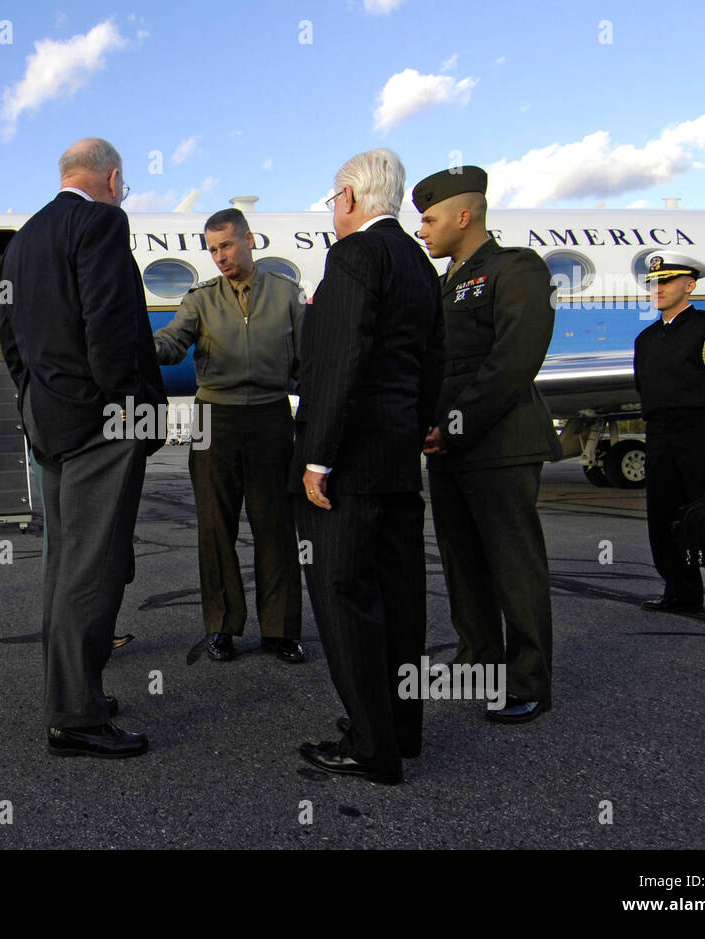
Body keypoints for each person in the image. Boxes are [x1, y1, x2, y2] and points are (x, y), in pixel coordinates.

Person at [0, 137, 167, 758]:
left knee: (65, 564)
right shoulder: (101, 221)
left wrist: (34, 401)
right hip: (102, 423)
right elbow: (111, 324)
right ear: (112, 176)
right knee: (94, 567)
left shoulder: (20, 241)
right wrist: (127, 403)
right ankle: (74, 716)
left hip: (49, 423)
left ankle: (77, 693)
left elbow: (9, 342)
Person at [291, 149, 443, 784]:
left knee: (344, 596)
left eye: (332, 199)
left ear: (350, 198)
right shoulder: (416, 260)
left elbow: (338, 361)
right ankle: (402, 731)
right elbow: (435, 355)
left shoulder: (354, 255)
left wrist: (318, 457)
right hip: (397, 459)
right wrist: (427, 422)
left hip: (350, 463)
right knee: (401, 598)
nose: (333, 210)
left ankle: (370, 746)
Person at [414, 165, 560, 724]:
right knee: (462, 560)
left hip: (498, 442)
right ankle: (478, 657)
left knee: (512, 563)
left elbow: (514, 359)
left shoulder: (515, 267)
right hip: (449, 446)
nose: (422, 230)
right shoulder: (445, 282)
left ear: (463, 215)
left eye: (429, 218)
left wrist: (452, 424)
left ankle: (528, 680)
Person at [153, 208, 305, 664]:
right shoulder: (199, 300)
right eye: (212, 249)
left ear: (249, 240)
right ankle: (222, 627)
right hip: (213, 419)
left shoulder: (285, 295)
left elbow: (308, 361)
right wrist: (135, 346)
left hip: (270, 417)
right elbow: (172, 342)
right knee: (215, 527)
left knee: (275, 527)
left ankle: (280, 631)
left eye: (226, 245)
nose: (219, 256)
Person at [634, 252, 705, 625]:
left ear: (690, 285)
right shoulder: (646, 338)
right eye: (654, 282)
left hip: (702, 436)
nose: (659, 288)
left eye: (667, 281)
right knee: (665, 519)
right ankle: (681, 592)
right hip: (661, 437)